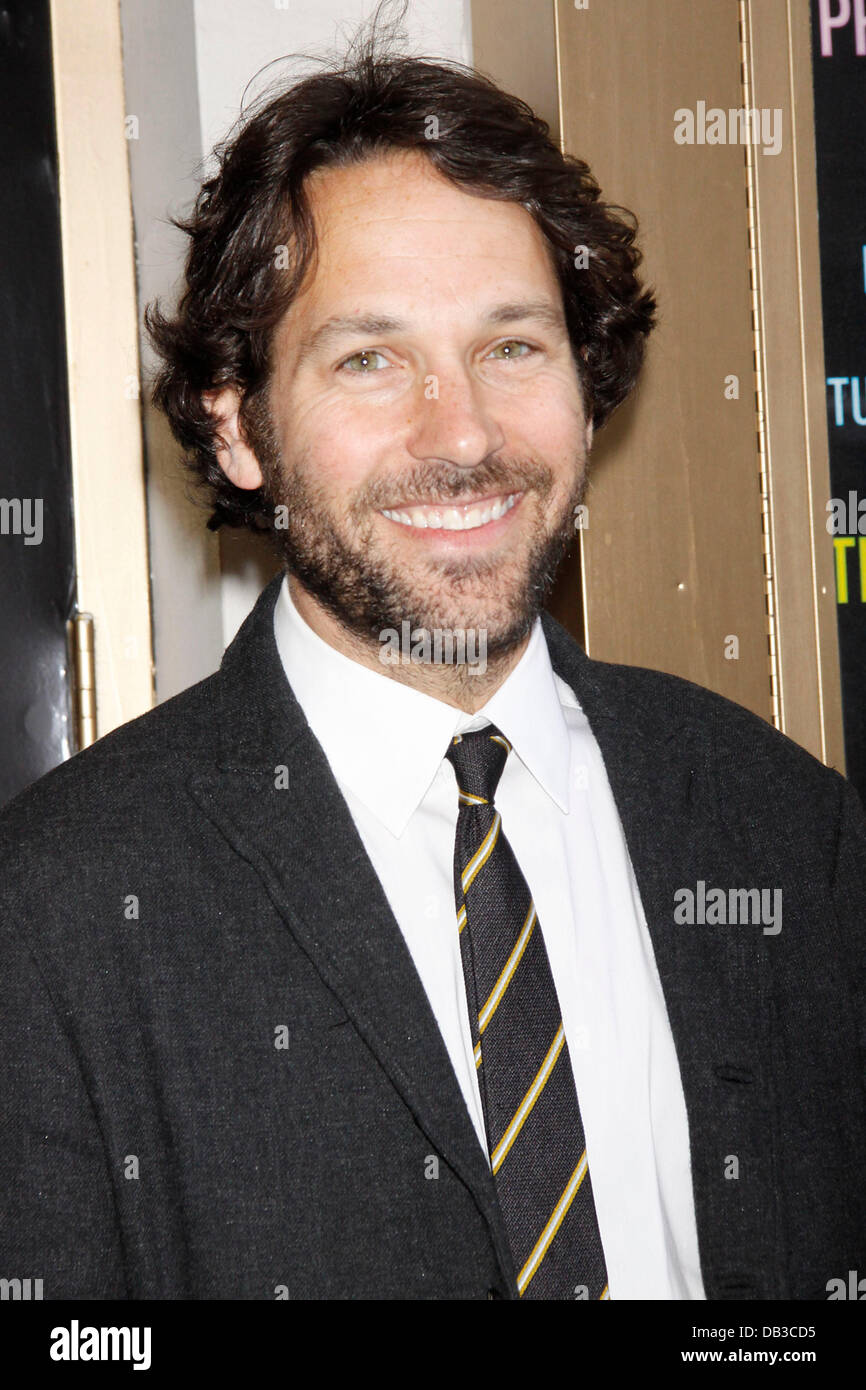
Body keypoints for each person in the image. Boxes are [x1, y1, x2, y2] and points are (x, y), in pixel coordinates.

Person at [1, 23, 864, 1303]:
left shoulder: (784, 828)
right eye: (370, 359)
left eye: (511, 346)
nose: (460, 434)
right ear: (237, 427)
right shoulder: (57, 910)